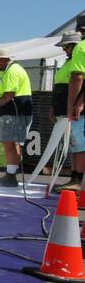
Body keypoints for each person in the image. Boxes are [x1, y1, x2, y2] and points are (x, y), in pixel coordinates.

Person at [0, 47, 34, 188]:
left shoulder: (12, 71)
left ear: (1, 59)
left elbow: (8, 95)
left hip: (15, 113)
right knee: (13, 143)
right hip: (15, 112)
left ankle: (11, 177)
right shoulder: (6, 71)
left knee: (9, 143)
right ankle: (11, 174)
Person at [51, 28, 85, 189]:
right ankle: (74, 177)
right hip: (65, 109)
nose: (64, 50)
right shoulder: (68, 62)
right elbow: (61, 85)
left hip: (76, 112)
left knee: (80, 144)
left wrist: (76, 105)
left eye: (67, 47)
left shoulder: (79, 59)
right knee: (73, 144)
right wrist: (55, 108)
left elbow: (77, 81)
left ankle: (79, 179)